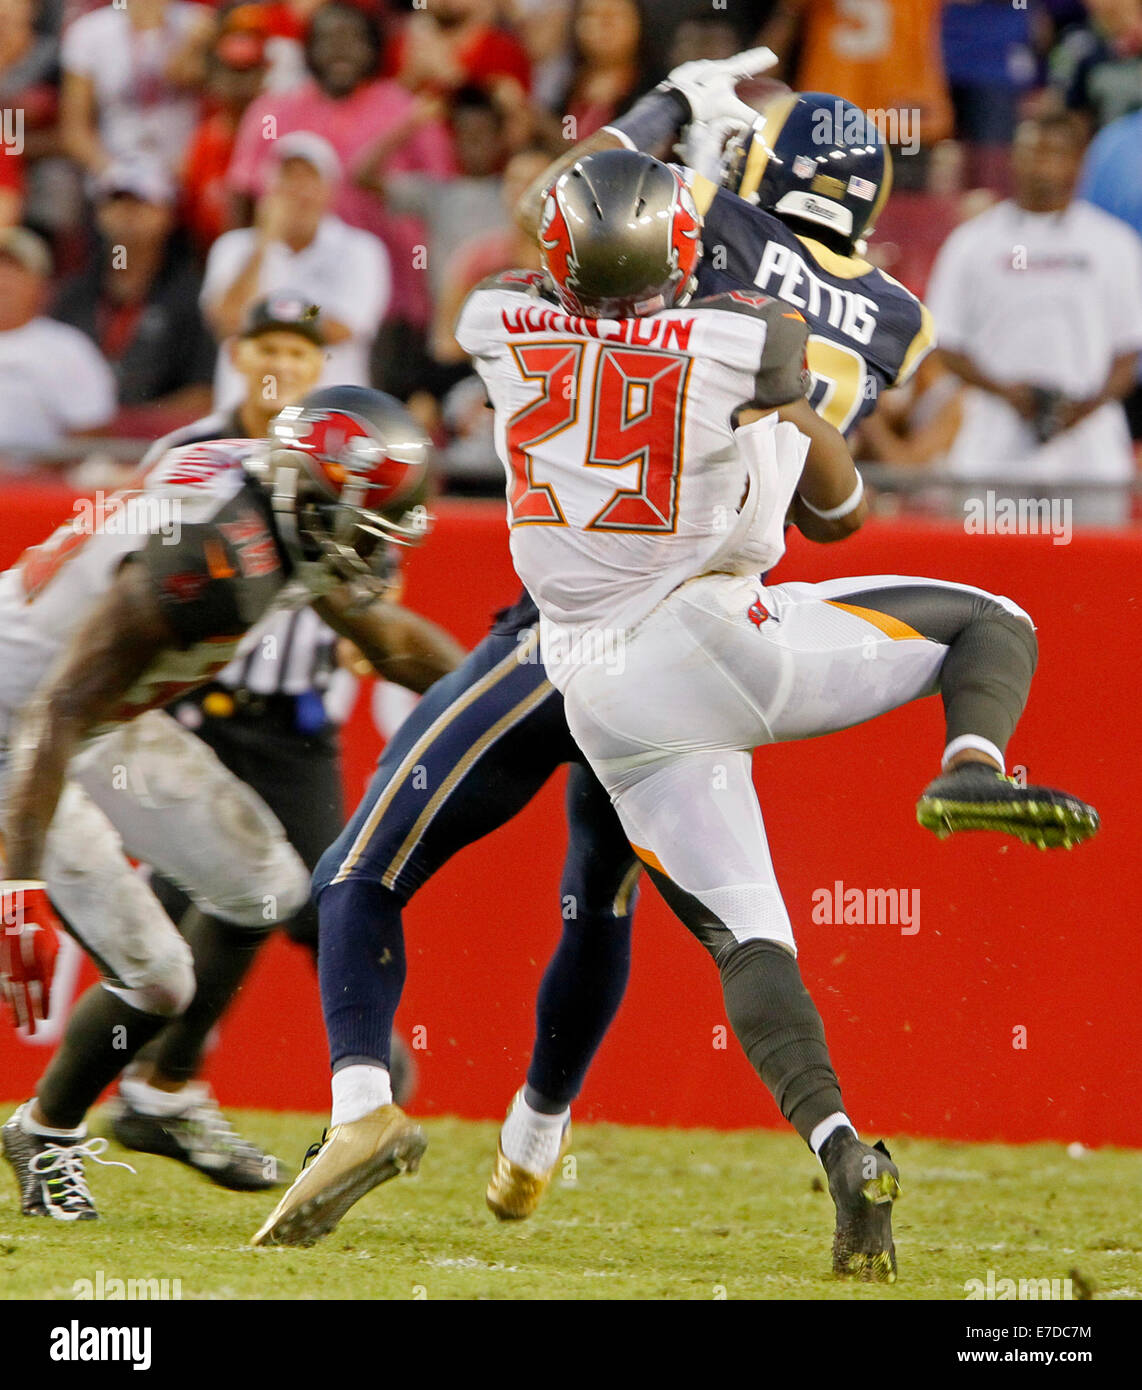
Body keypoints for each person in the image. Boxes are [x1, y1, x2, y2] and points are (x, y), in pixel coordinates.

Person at [248, 58, 1099, 1276]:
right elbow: (841, 509)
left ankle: (410, 1111)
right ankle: (818, 1120)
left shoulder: (504, 316)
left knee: (384, 866)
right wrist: (795, 407)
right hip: (727, 613)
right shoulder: (780, 332)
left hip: (586, 658)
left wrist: (668, 110)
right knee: (674, 897)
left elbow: (565, 207)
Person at [0, 387, 464, 1219]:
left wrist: (522, 707)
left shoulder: (279, 507)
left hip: (92, 715)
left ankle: (161, 1097)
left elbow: (388, 641)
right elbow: (57, 709)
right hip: (24, 729)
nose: (379, 547)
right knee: (162, 982)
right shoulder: (212, 559)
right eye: (372, 523)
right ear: (314, 504)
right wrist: (15, 889)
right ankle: (47, 1129)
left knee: (264, 889)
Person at [927, 111, 1142, 524]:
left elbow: (1129, 353)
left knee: (1094, 574)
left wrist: (1081, 408)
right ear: (1013, 158)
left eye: (1055, 153)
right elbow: (947, 342)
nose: (1041, 164)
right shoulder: (972, 242)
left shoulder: (1116, 245)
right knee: (982, 572)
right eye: (1031, 152)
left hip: (1090, 452)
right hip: (993, 444)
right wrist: (1009, 394)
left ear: (1079, 162)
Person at [202, 131, 391, 410]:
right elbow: (226, 320)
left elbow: (343, 328)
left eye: (309, 178)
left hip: (330, 417)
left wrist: (269, 315)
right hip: (244, 418)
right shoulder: (234, 247)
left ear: (330, 189)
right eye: (288, 177)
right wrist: (265, 242)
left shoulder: (361, 250)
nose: (298, 190)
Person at [51, 159, 216, 414]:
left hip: (156, 444)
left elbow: (205, 393)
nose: (127, 212)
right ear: (98, 214)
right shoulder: (72, 295)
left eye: (141, 201)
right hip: (77, 441)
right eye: (116, 200)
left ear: (168, 214)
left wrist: (129, 426)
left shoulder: (194, 297)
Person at [0, 225, 116, 453]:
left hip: (36, 482)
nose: (2, 281)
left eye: (14, 270)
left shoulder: (68, 349)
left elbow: (91, 438)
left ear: (42, 286)